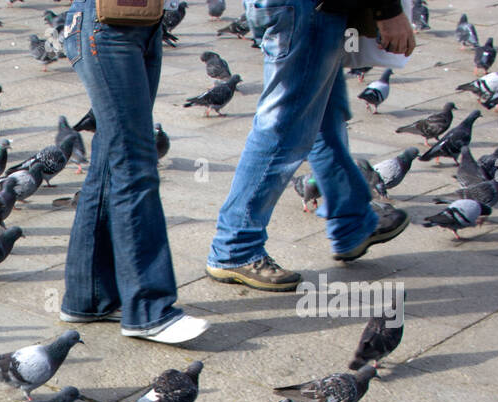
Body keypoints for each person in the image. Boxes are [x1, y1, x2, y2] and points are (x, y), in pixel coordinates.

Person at [205, 0, 416, 292]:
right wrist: (388, 11)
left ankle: (352, 221)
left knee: (323, 113)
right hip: (308, 10)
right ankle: (235, 247)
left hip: (299, 9)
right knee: (283, 127)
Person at [59, 0, 208, 343]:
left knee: (110, 162)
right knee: (136, 163)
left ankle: (89, 298)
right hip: (106, 24)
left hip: (144, 21)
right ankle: (148, 310)